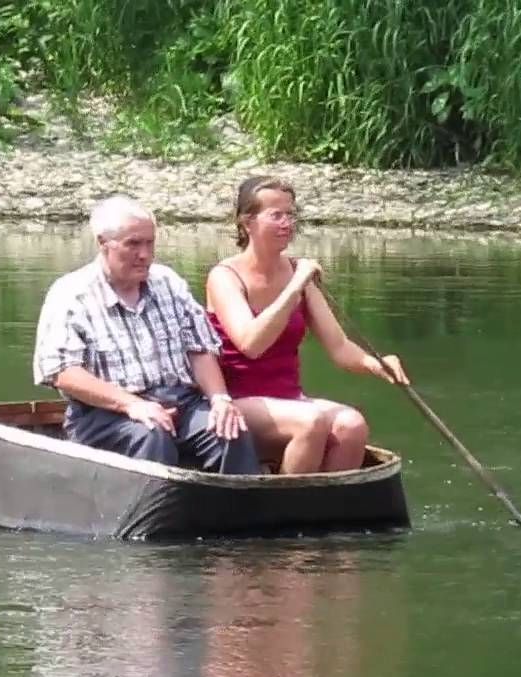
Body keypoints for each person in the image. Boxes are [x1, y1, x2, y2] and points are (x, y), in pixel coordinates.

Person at [33, 195, 259, 474]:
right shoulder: (70, 294)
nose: (144, 254)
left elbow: (199, 349)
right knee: (151, 435)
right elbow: (63, 372)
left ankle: (238, 502)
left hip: (181, 402)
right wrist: (131, 404)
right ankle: (153, 504)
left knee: (231, 430)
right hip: (106, 413)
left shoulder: (168, 282)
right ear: (103, 243)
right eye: (133, 244)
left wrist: (220, 399)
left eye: (149, 244)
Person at [205, 176, 409, 474]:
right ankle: (284, 501)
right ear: (247, 222)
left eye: (290, 214)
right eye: (276, 215)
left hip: (290, 399)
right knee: (310, 422)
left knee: (352, 426)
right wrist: (296, 285)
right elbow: (251, 344)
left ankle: (326, 502)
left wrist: (377, 364)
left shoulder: (297, 272)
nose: (287, 223)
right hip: (238, 401)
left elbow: (340, 347)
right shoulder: (224, 276)